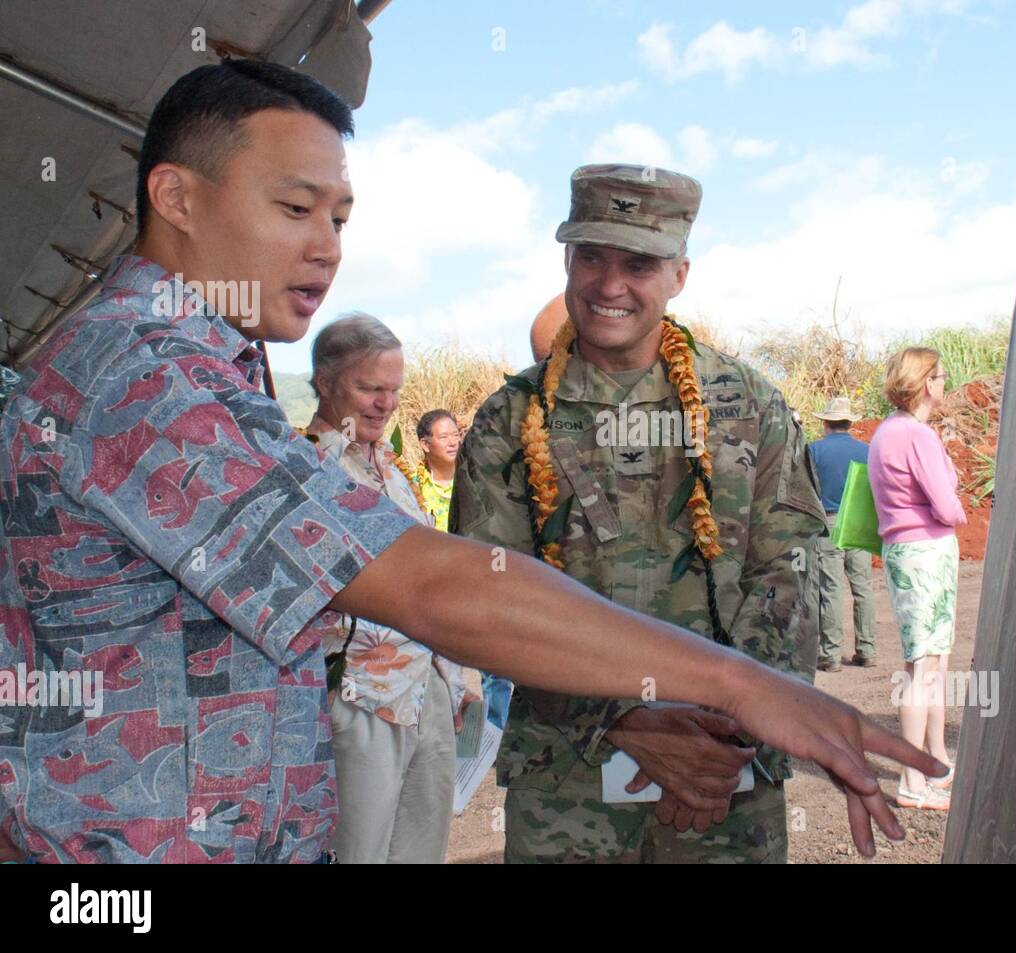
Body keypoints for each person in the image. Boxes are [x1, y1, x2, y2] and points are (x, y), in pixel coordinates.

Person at [0, 61, 942, 863]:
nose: (326, 247)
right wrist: (740, 686)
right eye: (295, 207)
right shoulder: (147, 376)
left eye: (340, 216)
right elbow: (445, 589)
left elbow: (783, 569)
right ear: (176, 196)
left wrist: (738, 725)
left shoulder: (198, 363)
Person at [454, 163, 830, 864]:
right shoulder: (509, 421)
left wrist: (717, 741)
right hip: (570, 787)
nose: (609, 283)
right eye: (590, 255)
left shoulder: (750, 407)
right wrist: (624, 719)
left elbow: (792, 578)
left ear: (679, 273)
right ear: (566, 257)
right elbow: (485, 601)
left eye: (639, 262)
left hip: (724, 784)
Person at [303, 314, 471, 863]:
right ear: (325, 383)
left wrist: (452, 674)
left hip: (427, 687)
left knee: (422, 849)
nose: (385, 403)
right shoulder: (304, 468)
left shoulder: (393, 474)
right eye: (369, 388)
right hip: (359, 693)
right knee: (360, 852)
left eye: (393, 390)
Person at [867, 348, 967, 810]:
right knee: (924, 668)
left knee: (930, 664)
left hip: (906, 553)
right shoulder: (918, 436)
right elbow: (946, 506)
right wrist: (957, 507)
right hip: (927, 552)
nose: (944, 384)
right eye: (941, 377)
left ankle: (935, 762)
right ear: (928, 383)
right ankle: (912, 779)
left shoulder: (888, 432)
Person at [411, 408, 513, 731]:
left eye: (456, 435)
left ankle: (496, 734)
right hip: (434, 593)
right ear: (425, 444)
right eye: (444, 437)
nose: (453, 442)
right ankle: (446, 731)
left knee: (496, 665)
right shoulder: (411, 487)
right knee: (442, 667)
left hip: (478, 585)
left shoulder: (477, 480)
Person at [809, 396, 877, 672]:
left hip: (828, 522)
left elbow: (808, 487)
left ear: (825, 423)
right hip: (858, 521)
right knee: (863, 588)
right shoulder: (866, 451)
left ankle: (831, 654)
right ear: (850, 423)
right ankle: (867, 650)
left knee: (831, 588)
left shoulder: (813, 450)